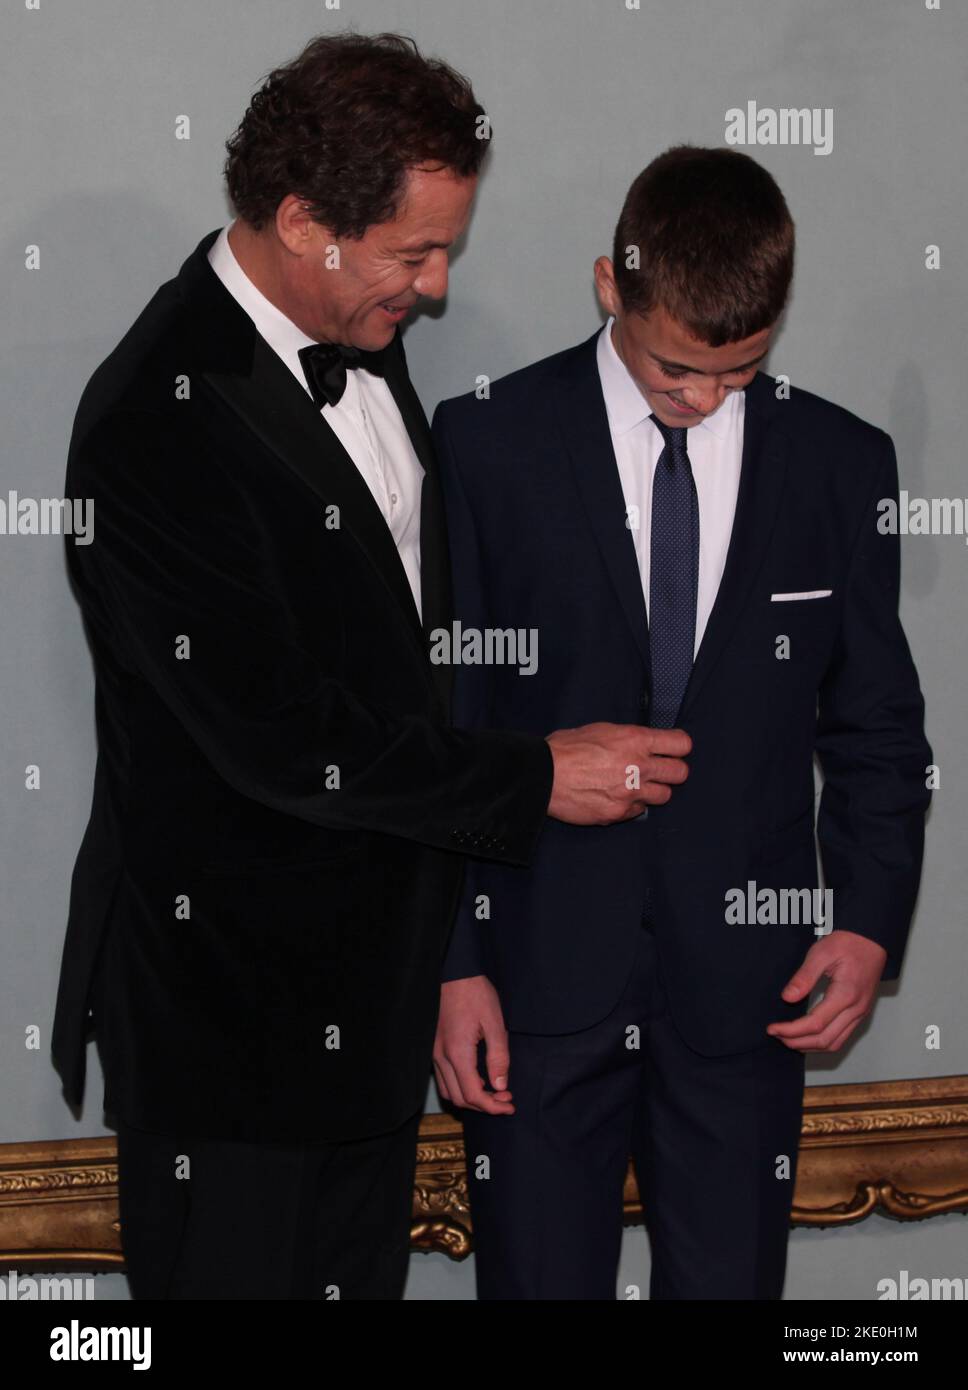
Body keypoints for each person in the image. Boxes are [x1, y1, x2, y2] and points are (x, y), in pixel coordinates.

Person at [50, 34, 688, 1301]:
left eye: (444, 246)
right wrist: (531, 775)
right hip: (228, 1035)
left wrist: (446, 957)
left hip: (369, 1017)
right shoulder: (152, 424)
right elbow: (280, 737)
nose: (439, 288)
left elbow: (399, 663)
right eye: (414, 254)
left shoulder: (354, 327)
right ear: (302, 223)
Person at [432, 145, 932, 1301]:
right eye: (673, 368)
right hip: (533, 987)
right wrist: (453, 967)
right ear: (610, 282)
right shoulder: (484, 443)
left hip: (747, 997)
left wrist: (864, 923)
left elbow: (875, 727)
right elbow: (447, 721)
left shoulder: (839, 463)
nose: (701, 398)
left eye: (738, 371)